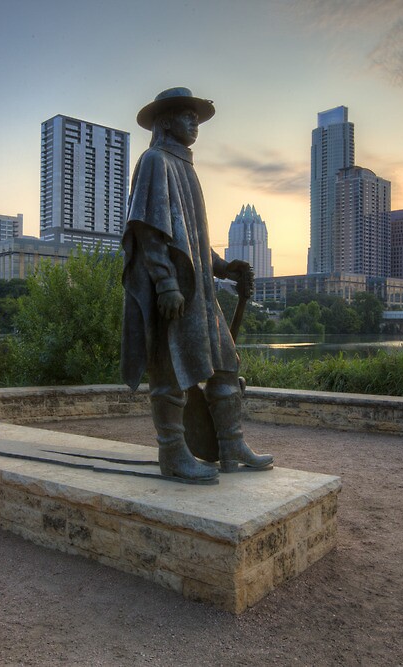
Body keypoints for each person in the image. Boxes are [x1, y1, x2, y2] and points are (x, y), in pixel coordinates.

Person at [121, 87, 273, 484]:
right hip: (175, 293)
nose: (194, 122)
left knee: (226, 366)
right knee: (169, 372)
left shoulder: (186, 167)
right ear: (166, 120)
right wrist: (166, 282)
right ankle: (172, 452)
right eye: (186, 115)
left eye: (196, 116)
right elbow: (148, 231)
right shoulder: (155, 161)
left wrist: (224, 267)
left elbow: (193, 238)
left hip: (202, 293)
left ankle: (230, 444)